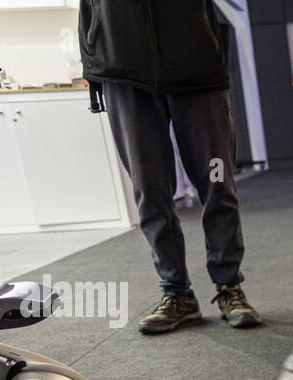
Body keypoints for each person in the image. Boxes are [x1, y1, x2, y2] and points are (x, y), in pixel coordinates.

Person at [79, 0, 262, 335]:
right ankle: (176, 293)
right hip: (121, 66)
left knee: (217, 183)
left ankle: (229, 286)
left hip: (196, 62)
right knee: (150, 191)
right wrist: (93, 63)